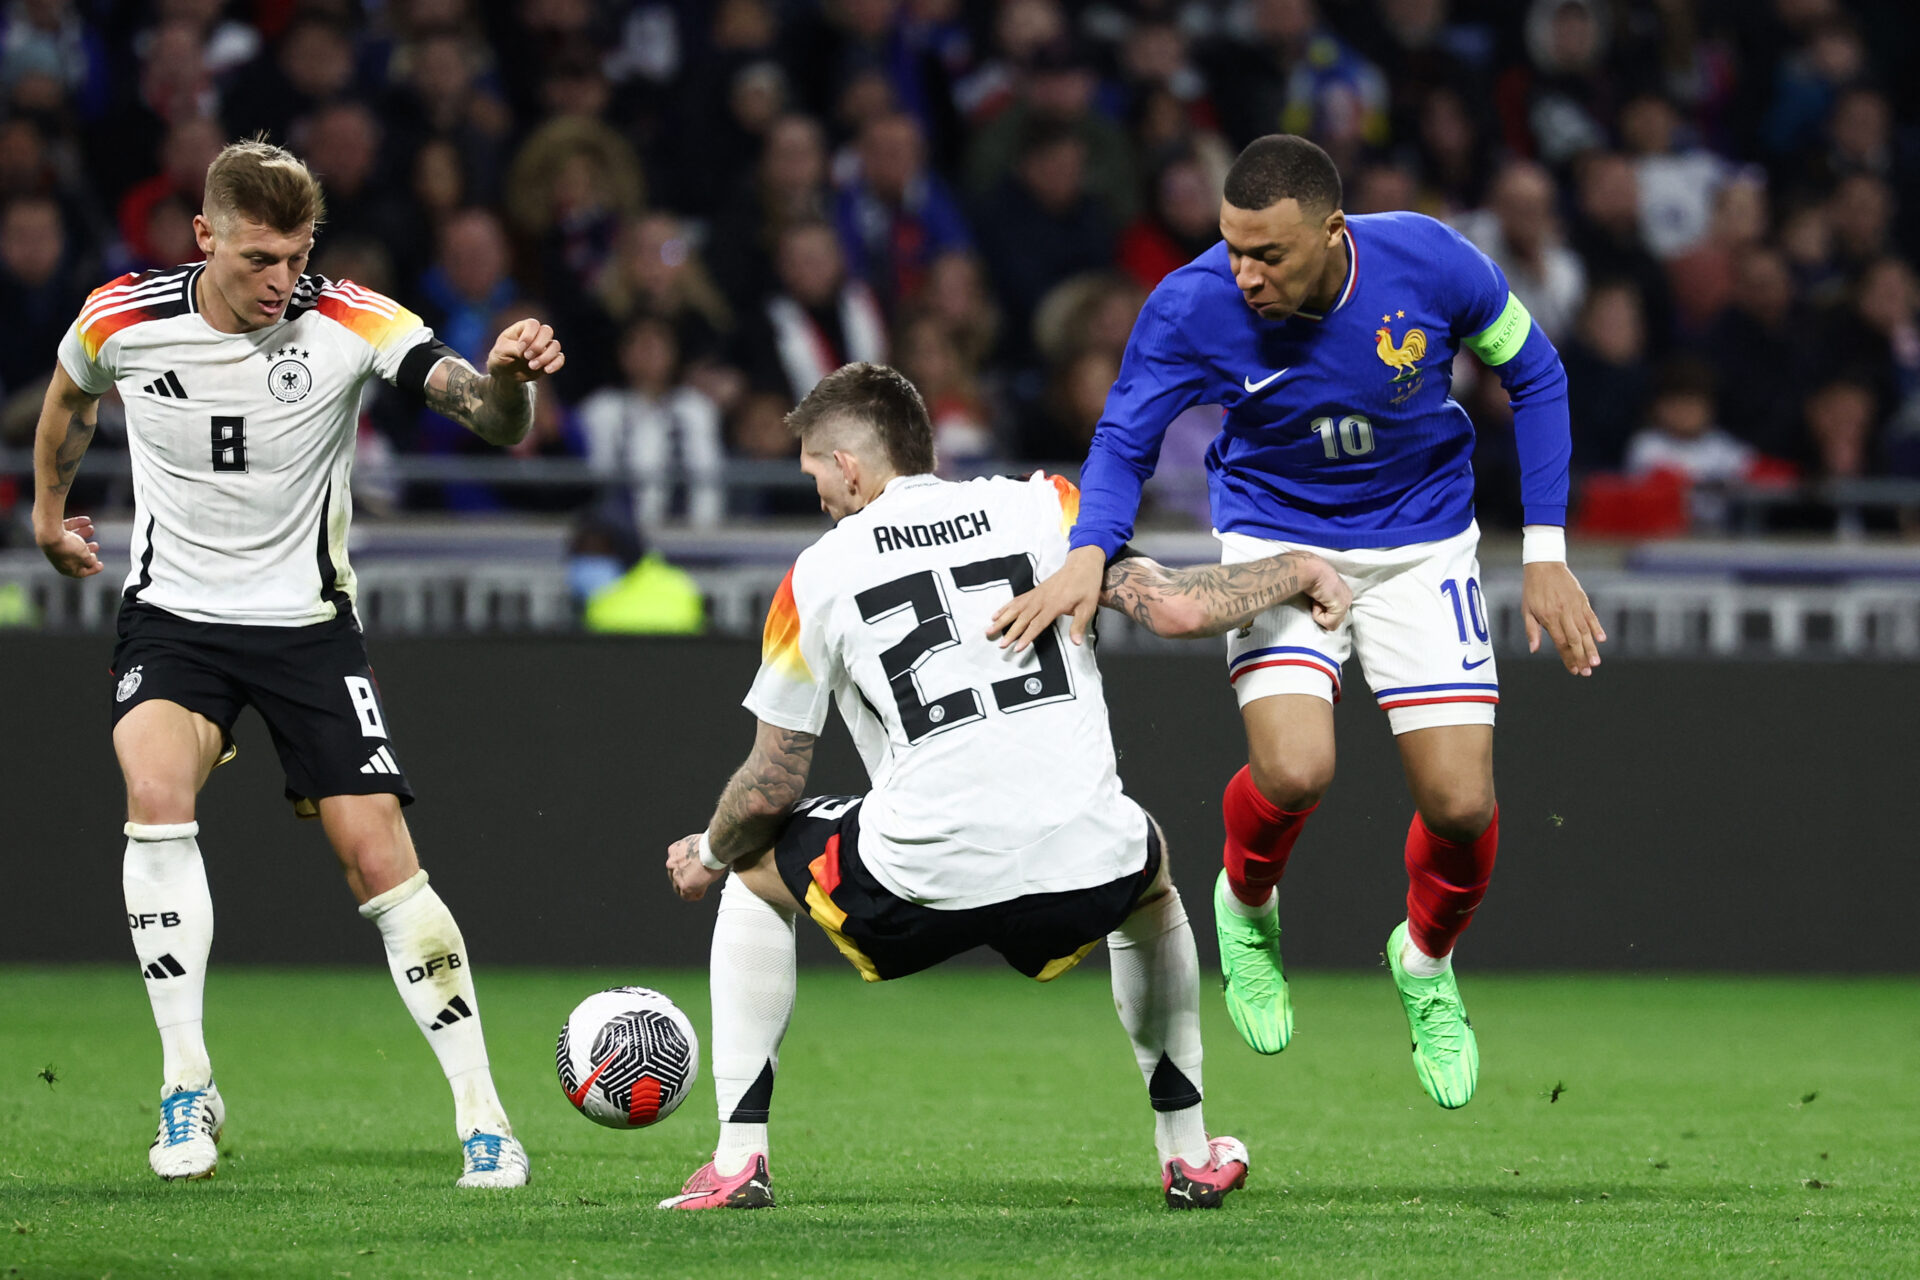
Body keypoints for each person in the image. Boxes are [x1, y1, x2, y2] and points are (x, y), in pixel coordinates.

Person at [993, 135, 1604, 1111]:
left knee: (1461, 807)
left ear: (1331, 231)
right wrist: (1088, 548)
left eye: (1267, 254)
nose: (1245, 274)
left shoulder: (1433, 262)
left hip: (1423, 540)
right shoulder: (1192, 304)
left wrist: (1544, 554)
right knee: (1294, 769)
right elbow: (1123, 435)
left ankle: (1425, 958)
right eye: (1232, 247)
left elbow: (1537, 373)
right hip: (1275, 532)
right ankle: (1244, 903)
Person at [661, 362, 1351, 1211]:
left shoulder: (815, 574)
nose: (818, 496)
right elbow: (1175, 607)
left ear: (848, 467)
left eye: (815, 475)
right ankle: (1186, 1152)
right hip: (1083, 874)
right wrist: (1301, 570)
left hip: (918, 883)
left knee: (752, 862)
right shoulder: (1045, 507)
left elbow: (770, 784)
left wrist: (707, 850)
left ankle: (737, 1161)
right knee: (1151, 868)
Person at [30, 138, 563, 1187]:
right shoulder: (123, 316)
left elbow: (489, 419)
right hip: (174, 619)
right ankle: (188, 1082)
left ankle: (483, 1113)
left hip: (307, 626)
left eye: (297, 254)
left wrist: (510, 385)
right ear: (206, 236)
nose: (281, 280)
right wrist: (49, 519)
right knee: (153, 791)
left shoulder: (350, 318)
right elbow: (68, 397)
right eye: (259, 257)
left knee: (377, 855)